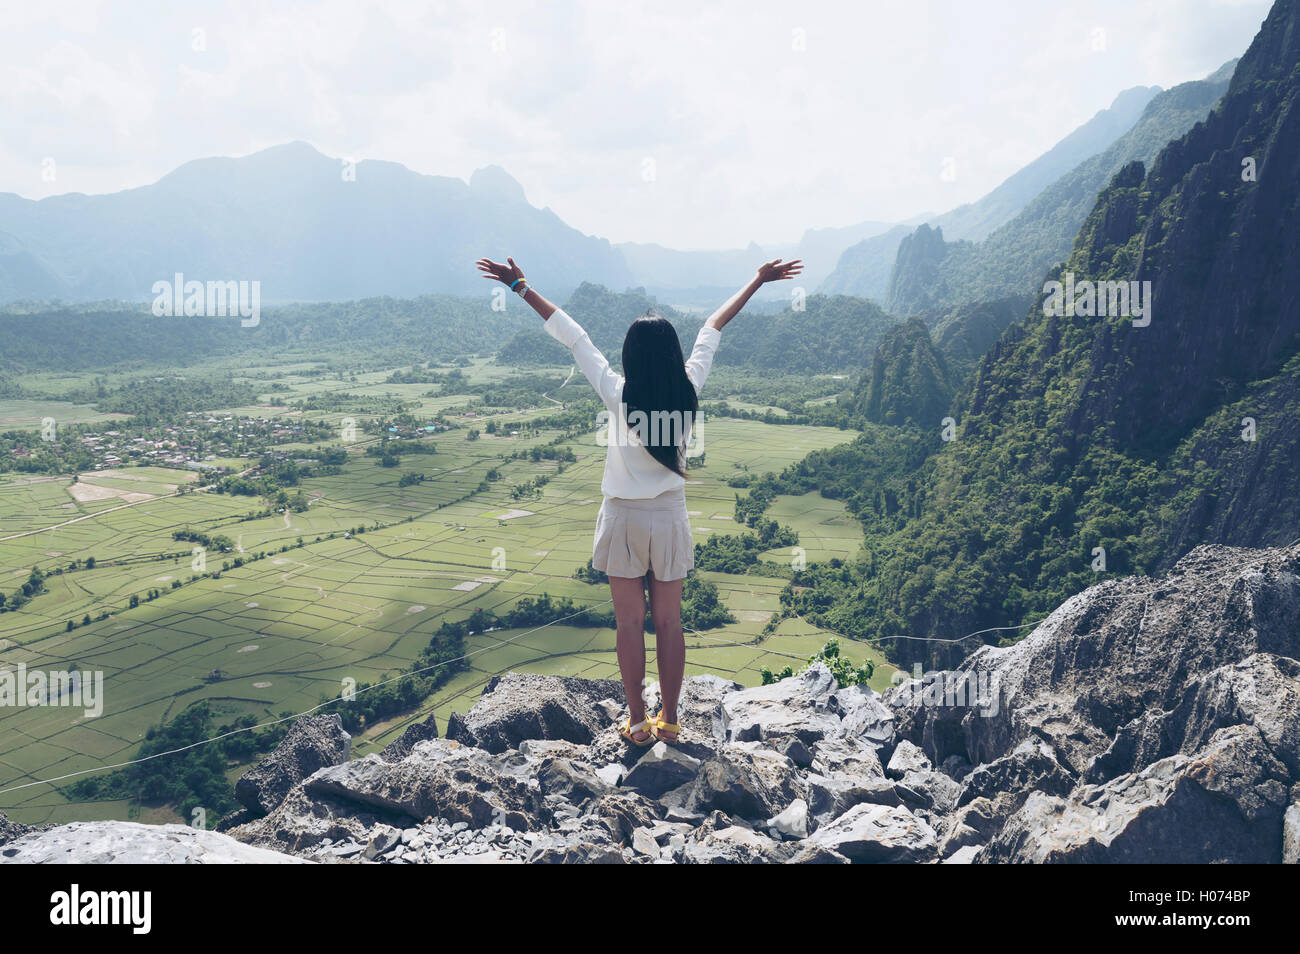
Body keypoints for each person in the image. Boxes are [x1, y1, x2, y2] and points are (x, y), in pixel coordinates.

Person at [474, 255, 803, 743]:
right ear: (671, 354)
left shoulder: (618, 394)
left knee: (629, 625)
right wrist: (758, 279)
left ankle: (636, 721)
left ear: (631, 355)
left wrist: (520, 285)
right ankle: (670, 720)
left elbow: (575, 336)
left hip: (622, 519)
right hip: (669, 519)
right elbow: (713, 325)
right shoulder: (688, 390)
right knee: (670, 623)